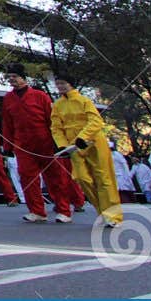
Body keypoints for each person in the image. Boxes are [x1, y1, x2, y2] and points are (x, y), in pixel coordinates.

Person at [0, 66, 74, 223]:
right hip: (22, 144)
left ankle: (64, 210)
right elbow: (7, 124)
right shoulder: (8, 99)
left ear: (23, 78)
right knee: (27, 177)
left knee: (55, 177)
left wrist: (58, 142)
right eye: (9, 76)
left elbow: (52, 120)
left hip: (46, 142)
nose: (12, 79)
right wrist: (7, 147)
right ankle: (37, 211)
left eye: (15, 76)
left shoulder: (40, 96)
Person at [50, 71, 123, 227]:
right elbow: (56, 127)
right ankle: (102, 212)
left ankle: (113, 216)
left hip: (94, 142)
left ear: (70, 84)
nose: (60, 86)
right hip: (73, 146)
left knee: (104, 178)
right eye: (58, 84)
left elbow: (96, 121)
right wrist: (62, 145)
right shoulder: (57, 105)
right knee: (82, 178)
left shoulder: (84, 101)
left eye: (63, 83)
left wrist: (83, 137)